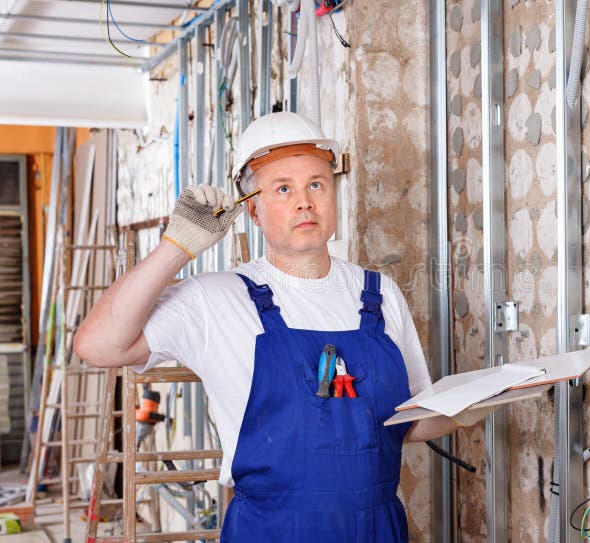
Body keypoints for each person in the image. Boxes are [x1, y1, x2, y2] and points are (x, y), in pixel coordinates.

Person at [75, 111, 496, 542]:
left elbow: (407, 424)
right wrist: (175, 247)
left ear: (333, 193)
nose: (304, 202)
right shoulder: (217, 299)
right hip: (272, 529)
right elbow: (97, 346)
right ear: (253, 210)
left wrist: (473, 407)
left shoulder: (380, 293)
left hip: (376, 527)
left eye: (316, 183)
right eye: (283, 189)